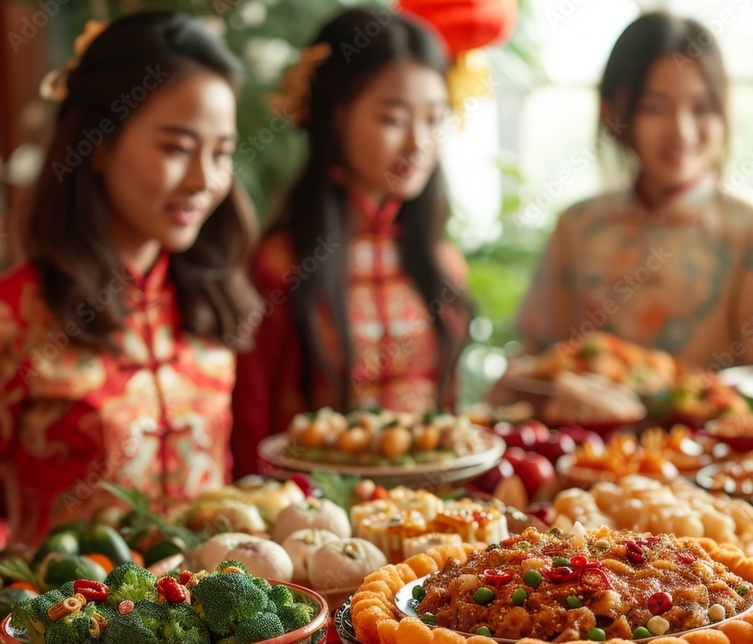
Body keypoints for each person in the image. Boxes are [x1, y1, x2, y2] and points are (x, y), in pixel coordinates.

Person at [0, 12, 257, 547]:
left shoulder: (213, 299)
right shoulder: (17, 314)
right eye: (177, 148)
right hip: (61, 620)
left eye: (222, 152)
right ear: (98, 142)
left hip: (215, 624)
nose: (204, 180)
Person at [231, 7, 470, 476]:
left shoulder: (442, 263)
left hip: (431, 524)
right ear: (334, 116)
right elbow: (248, 431)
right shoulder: (281, 266)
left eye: (434, 119)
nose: (419, 142)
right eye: (393, 118)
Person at [516, 12, 753, 370]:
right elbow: (539, 358)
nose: (682, 131)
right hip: (584, 426)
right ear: (615, 113)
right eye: (655, 108)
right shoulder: (578, 226)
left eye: (702, 108)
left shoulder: (745, 230)